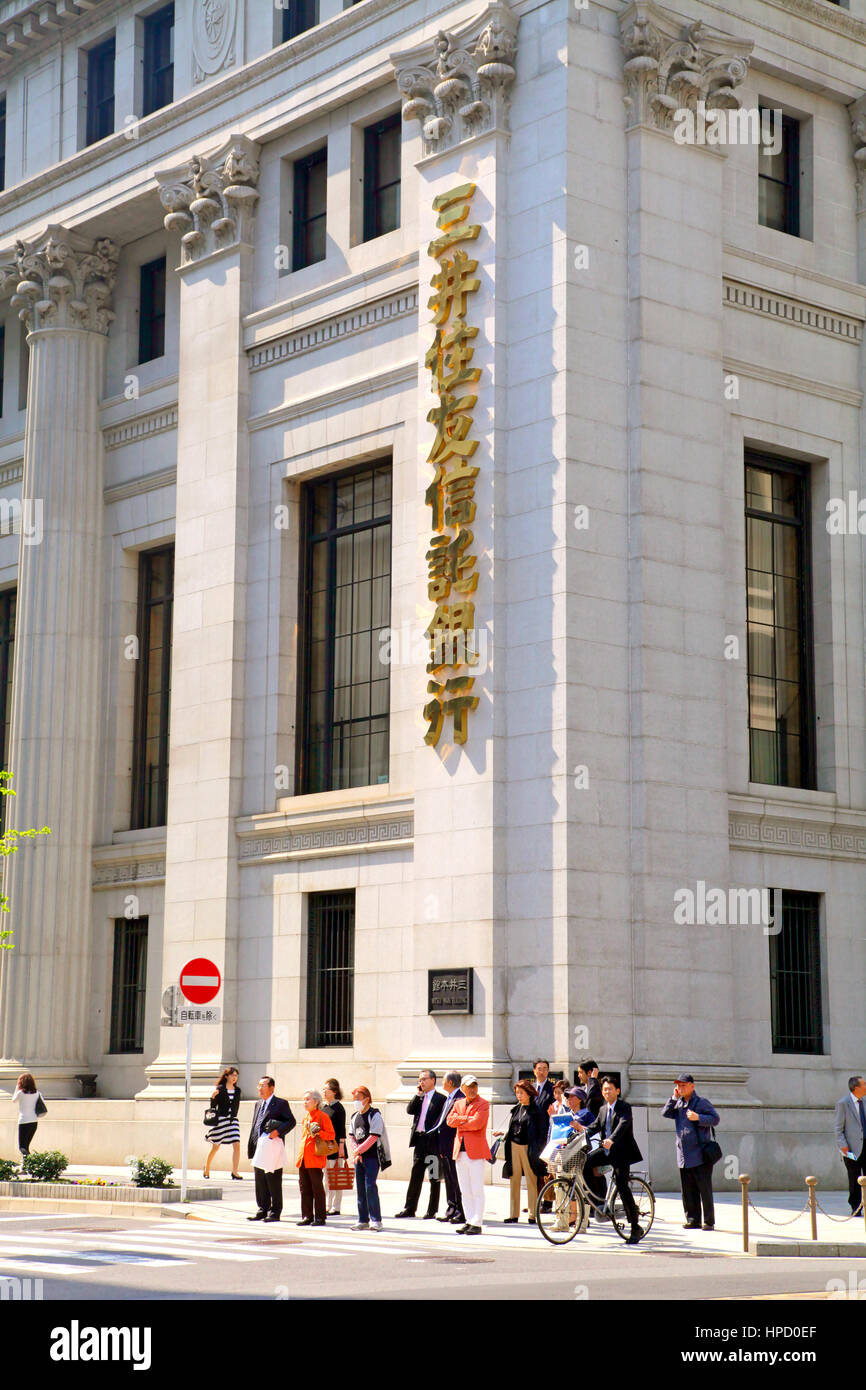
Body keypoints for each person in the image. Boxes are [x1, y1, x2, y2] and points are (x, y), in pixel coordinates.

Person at [574, 1076, 644, 1244]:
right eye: (604, 1089)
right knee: (585, 1163)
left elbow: (623, 1125)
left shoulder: (624, 1107)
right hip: (606, 1150)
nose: (606, 1092)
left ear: (617, 1091)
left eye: (609, 1089)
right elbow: (595, 1126)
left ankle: (635, 1226)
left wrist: (611, 1139)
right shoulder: (603, 1109)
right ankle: (600, 1203)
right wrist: (579, 1133)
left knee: (622, 1185)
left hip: (621, 1152)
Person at [661, 1072, 720, 1230]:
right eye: (678, 1085)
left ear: (692, 1086)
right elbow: (665, 1113)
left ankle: (708, 1221)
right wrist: (673, 1098)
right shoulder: (678, 1103)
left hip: (700, 1154)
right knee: (688, 1190)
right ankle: (693, 1219)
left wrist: (698, 1117)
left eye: (683, 1085)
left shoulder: (701, 1102)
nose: (680, 1088)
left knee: (704, 1189)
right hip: (683, 1155)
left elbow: (715, 1119)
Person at [496, 1078, 548, 1224]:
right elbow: (513, 1127)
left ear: (529, 1093)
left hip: (529, 1148)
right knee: (514, 1180)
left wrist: (537, 1149)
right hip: (514, 1146)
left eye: (521, 1093)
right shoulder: (517, 1108)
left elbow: (542, 1132)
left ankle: (532, 1214)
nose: (519, 1096)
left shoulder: (536, 1110)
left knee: (532, 1180)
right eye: (517, 1093)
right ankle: (513, 1214)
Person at [396, 1068, 445, 1219]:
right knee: (415, 1176)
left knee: (434, 1177)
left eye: (424, 1079)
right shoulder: (420, 1097)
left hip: (433, 1142)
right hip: (419, 1140)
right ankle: (410, 1208)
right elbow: (410, 1110)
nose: (421, 1082)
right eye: (419, 1080)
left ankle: (432, 1210)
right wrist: (418, 1095)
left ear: (433, 1080)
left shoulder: (441, 1099)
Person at [246, 1076, 296, 1223]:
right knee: (260, 1180)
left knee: (273, 1180)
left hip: (272, 1148)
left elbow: (291, 1121)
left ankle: (275, 1211)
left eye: (263, 1085)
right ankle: (262, 1209)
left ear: (272, 1087)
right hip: (258, 1146)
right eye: (259, 1085)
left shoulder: (280, 1104)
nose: (260, 1088)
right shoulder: (258, 1104)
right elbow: (256, 1124)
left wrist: (278, 1131)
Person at [446, 1073, 490, 1234]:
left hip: (476, 1152)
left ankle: (477, 1222)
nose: (472, 1090)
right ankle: (469, 1219)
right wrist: (466, 1119)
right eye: (469, 1087)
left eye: (474, 1086)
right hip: (460, 1151)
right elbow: (449, 1121)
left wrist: (461, 1121)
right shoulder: (458, 1103)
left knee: (477, 1188)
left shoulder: (483, 1103)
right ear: (463, 1088)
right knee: (465, 1190)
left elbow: (477, 1123)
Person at [347, 1085, 385, 1232]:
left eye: (358, 1098)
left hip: (371, 1158)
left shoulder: (374, 1115)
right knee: (361, 1189)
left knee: (370, 1187)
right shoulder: (355, 1116)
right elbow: (351, 1136)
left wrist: (359, 1151)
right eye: (354, 1099)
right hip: (359, 1158)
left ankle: (376, 1220)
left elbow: (374, 1136)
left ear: (366, 1099)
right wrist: (356, 1152)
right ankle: (362, 1219)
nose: (355, 1101)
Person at [296, 1089, 336, 1226]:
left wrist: (319, 1132)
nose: (305, 1102)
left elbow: (331, 1135)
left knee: (317, 1188)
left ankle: (320, 1217)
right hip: (303, 1158)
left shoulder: (322, 1116)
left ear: (316, 1101)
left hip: (315, 1157)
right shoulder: (306, 1117)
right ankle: (307, 1216)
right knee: (304, 1187)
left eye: (308, 1099)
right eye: (304, 1099)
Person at [432, 1071, 465, 1224]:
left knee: (456, 1179)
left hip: (454, 1144)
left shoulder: (460, 1098)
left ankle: (460, 1210)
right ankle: (451, 1208)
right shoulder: (449, 1098)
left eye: (444, 1081)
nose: (442, 1084)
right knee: (449, 1179)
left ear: (450, 1083)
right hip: (444, 1145)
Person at [204, 1066, 243, 1180]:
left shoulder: (238, 1090)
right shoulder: (220, 1089)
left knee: (237, 1145)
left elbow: (236, 1105)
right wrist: (213, 1097)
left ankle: (235, 1172)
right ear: (226, 1076)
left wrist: (233, 1115)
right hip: (221, 1120)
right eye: (232, 1075)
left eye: (236, 1075)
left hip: (233, 1120)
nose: (234, 1077)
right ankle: (207, 1168)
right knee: (216, 1146)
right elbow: (213, 1106)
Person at [834, 1075, 866, 1214]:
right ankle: (856, 1207)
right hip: (851, 1149)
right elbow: (838, 1129)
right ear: (856, 1088)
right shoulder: (843, 1103)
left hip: (865, 1145)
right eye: (864, 1084)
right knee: (854, 1178)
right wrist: (844, 1147)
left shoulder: (864, 1101)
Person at [322, 1078, 347, 1216]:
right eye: (324, 1089)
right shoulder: (324, 1107)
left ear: (334, 1092)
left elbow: (341, 1129)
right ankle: (327, 1204)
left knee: (336, 1178)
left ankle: (336, 1206)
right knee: (326, 1177)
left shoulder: (339, 1108)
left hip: (337, 1146)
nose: (324, 1092)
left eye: (327, 1089)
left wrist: (342, 1147)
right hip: (325, 1147)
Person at [12, 1072, 43, 1158]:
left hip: (23, 1121)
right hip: (34, 1122)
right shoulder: (37, 1093)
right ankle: (24, 1167)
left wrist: (17, 1088)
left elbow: (13, 1100)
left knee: (22, 1147)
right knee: (26, 1146)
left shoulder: (20, 1093)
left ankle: (30, 1161)